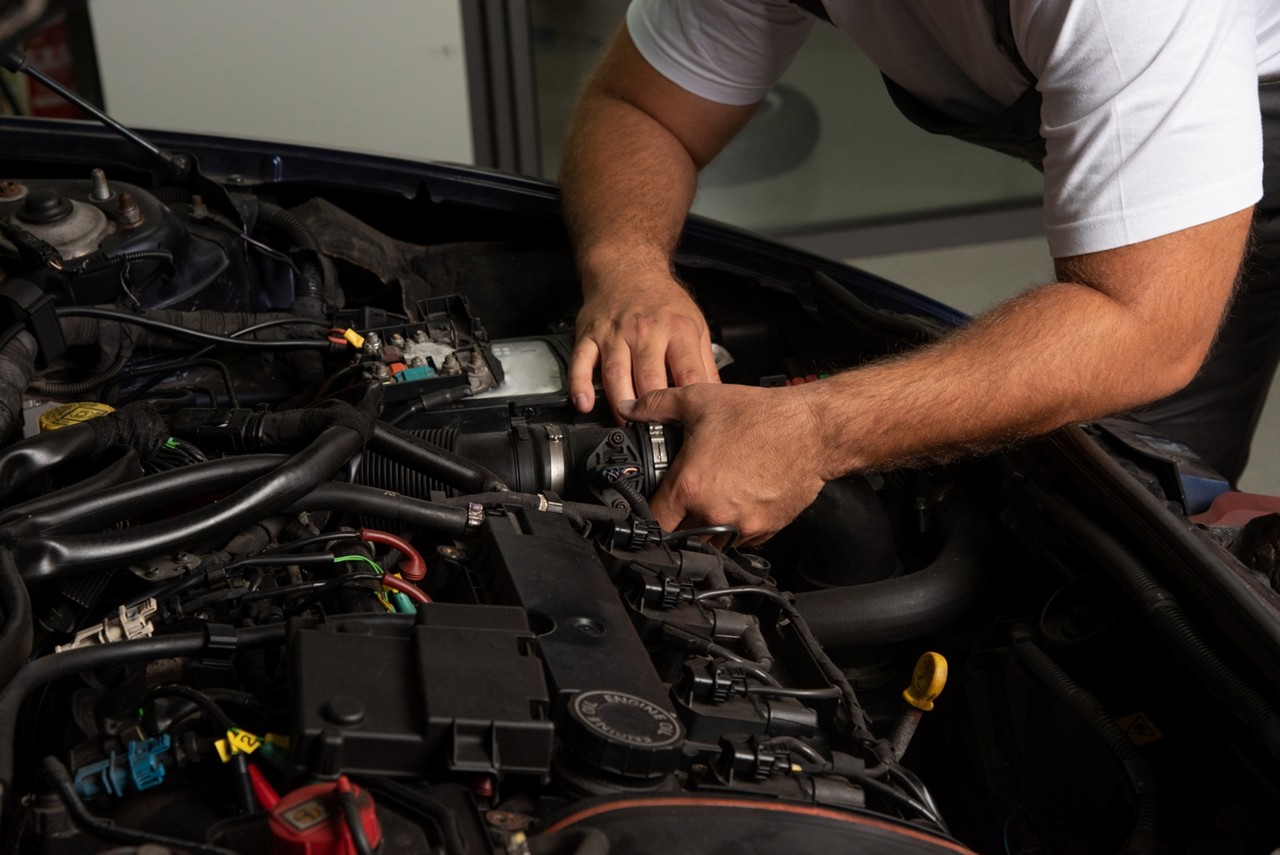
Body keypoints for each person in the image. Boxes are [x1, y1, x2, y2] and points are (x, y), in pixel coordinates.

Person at [559, 0, 1273, 546]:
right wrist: (627, 267)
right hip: (1161, 97)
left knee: (1145, 522)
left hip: (1234, 102)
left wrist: (814, 431)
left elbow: (1145, 323)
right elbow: (643, 108)